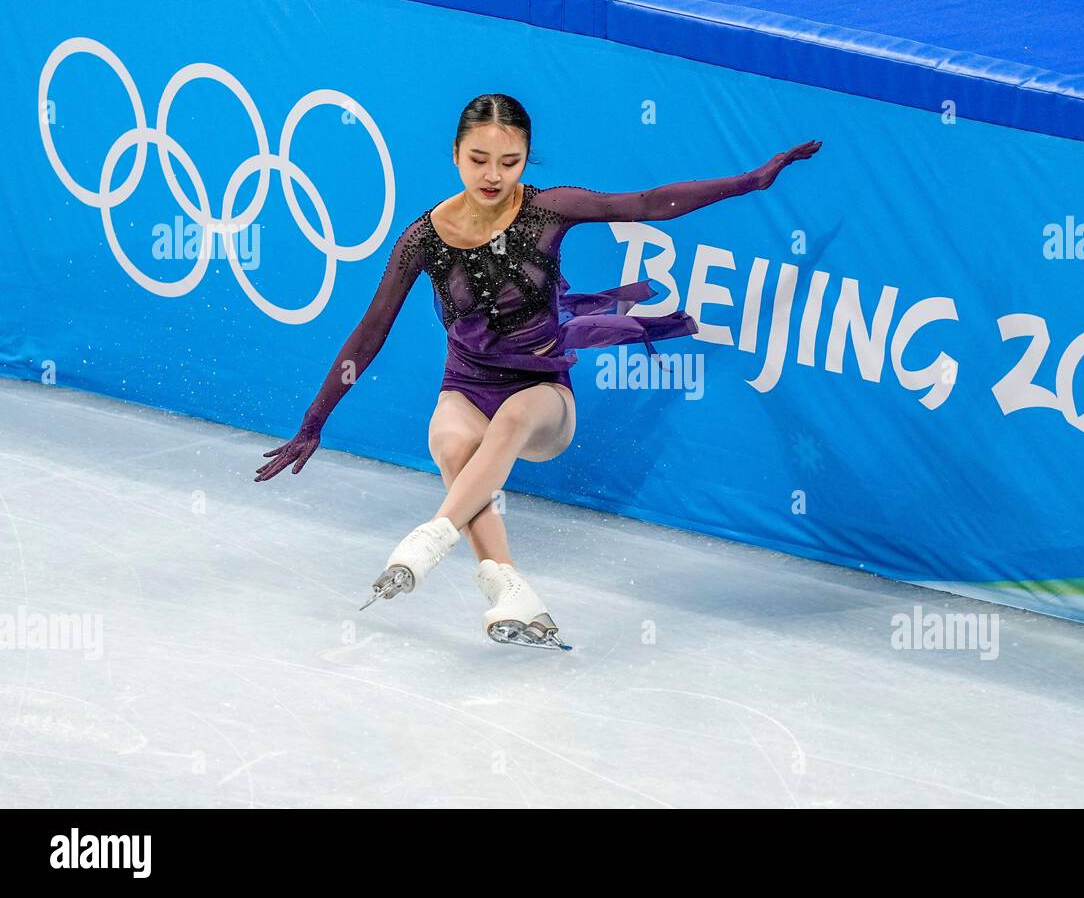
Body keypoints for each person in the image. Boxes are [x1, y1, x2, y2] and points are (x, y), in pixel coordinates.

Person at [255, 93, 820, 648]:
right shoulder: (423, 239)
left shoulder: (550, 209)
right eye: (478, 160)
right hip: (467, 385)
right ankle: (507, 587)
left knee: (510, 420)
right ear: (455, 154)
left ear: (527, 159)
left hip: (543, 395)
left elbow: (649, 203)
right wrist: (314, 420)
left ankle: (433, 537)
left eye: (510, 161)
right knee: (450, 442)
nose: (493, 175)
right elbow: (370, 331)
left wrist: (750, 181)